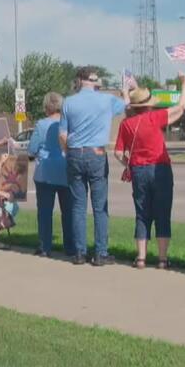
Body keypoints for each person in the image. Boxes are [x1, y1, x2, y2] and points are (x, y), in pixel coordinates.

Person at [115, 74, 185, 270]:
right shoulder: (154, 117)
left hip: (138, 170)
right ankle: (162, 259)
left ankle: (141, 257)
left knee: (142, 214)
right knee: (162, 213)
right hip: (160, 168)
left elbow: (118, 153)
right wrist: (184, 84)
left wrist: (128, 164)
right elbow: (181, 107)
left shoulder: (126, 124)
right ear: (148, 105)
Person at [59, 67, 127, 266]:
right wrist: (125, 92)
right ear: (95, 81)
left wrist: (68, 151)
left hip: (75, 152)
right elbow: (126, 104)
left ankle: (80, 252)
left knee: (78, 206)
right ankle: (100, 253)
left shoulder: (68, 102)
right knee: (100, 206)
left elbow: (62, 134)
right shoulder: (106, 100)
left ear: (79, 81)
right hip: (96, 154)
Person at [28, 92, 73, 258]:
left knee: (45, 212)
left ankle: (45, 246)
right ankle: (71, 246)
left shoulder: (41, 124)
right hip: (65, 169)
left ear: (46, 107)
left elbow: (32, 149)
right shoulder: (68, 123)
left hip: (45, 170)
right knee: (68, 212)